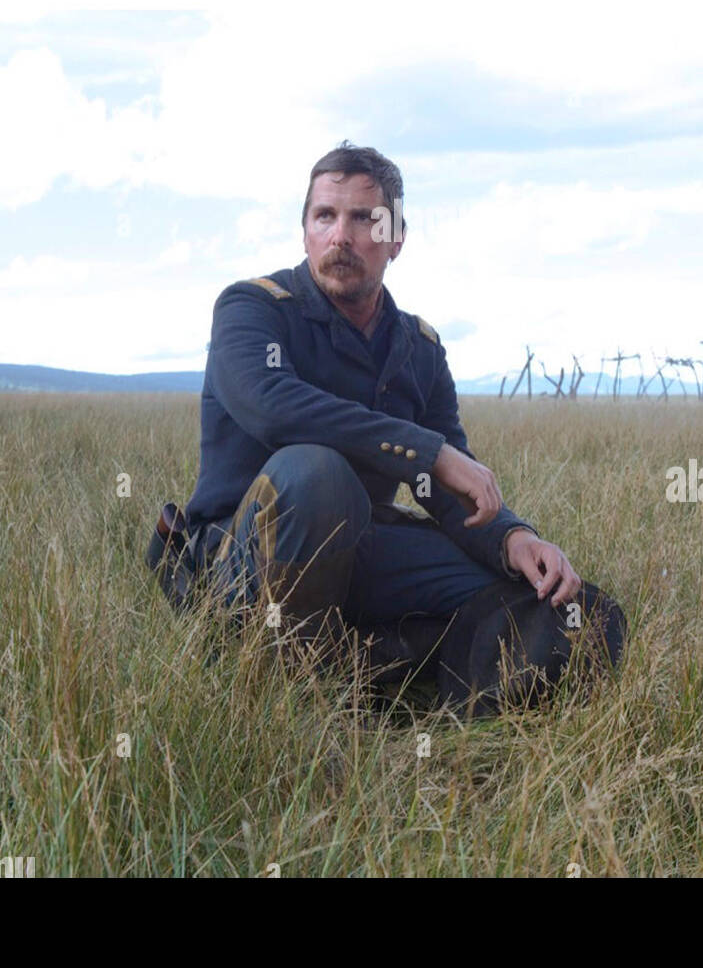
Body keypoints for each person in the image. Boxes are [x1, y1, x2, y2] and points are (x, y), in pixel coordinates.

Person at [147, 142, 626, 715]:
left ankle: (419, 684)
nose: (340, 236)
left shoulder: (418, 348)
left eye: (363, 219)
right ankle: (296, 695)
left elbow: (447, 492)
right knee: (317, 474)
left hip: (357, 550)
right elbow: (273, 407)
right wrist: (429, 452)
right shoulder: (253, 310)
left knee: (563, 603)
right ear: (305, 232)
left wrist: (512, 538)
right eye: (324, 216)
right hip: (237, 565)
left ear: (397, 238)